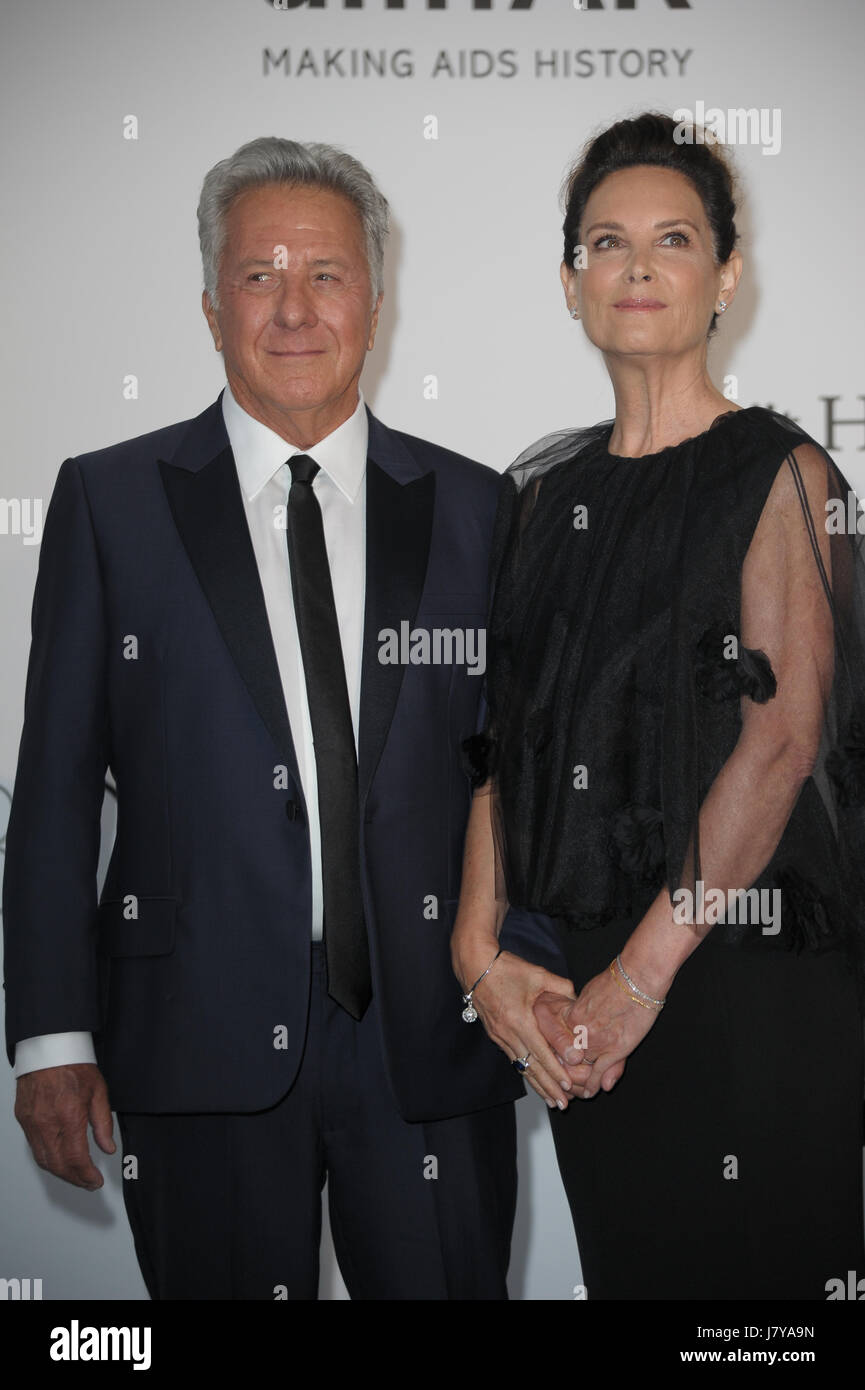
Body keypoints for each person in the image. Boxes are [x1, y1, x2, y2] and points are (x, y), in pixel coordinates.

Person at [3, 136, 541, 1300]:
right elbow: (51, 792)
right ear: (208, 305)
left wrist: (525, 961)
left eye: (328, 274)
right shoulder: (109, 501)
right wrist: (51, 1036)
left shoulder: (476, 507)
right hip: (190, 1042)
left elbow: (524, 770)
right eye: (259, 275)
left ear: (378, 301)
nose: (294, 307)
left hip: (430, 1038)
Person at [452, 112, 865, 1300]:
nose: (636, 266)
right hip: (581, 991)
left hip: (741, 977)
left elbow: (780, 742)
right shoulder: (537, 496)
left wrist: (637, 982)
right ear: (570, 282)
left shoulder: (782, 470)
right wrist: (478, 950)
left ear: (726, 275)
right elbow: (502, 745)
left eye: (673, 239)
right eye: (606, 242)